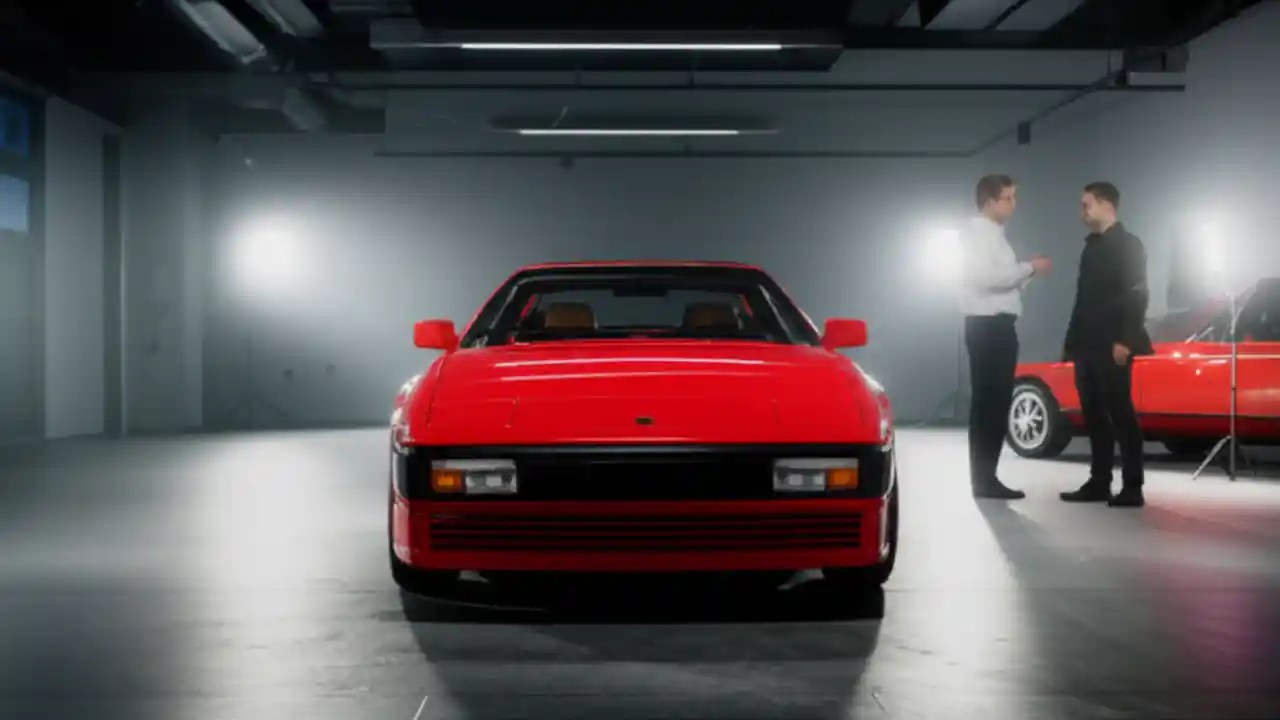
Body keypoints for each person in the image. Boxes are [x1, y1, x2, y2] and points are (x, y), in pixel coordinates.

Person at [1059, 182, 1154, 508]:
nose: (1081, 211)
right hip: (1087, 343)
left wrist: (1125, 340)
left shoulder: (1129, 245)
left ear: (1106, 205)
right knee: (1094, 416)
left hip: (1113, 344)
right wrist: (1071, 342)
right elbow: (1082, 299)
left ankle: (1133, 486)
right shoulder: (1091, 248)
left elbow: (1137, 294)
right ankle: (1099, 482)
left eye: (1086, 205)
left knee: (1121, 413)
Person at [962, 175, 1052, 499]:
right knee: (991, 404)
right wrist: (1029, 268)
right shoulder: (978, 234)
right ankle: (984, 479)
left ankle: (985, 478)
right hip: (989, 327)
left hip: (993, 326)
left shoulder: (993, 234)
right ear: (989, 201)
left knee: (992, 403)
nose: (1013, 204)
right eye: (1007, 198)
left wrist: (1027, 271)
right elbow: (987, 278)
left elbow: (1002, 280)